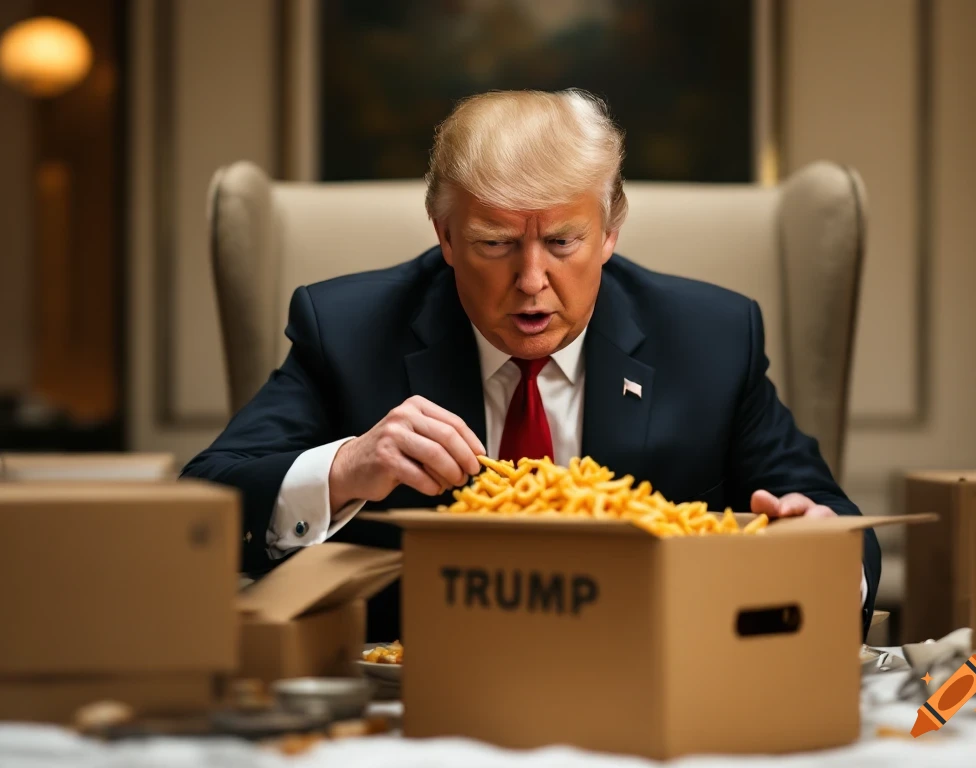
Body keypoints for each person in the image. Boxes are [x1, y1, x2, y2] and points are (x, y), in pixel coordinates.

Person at [182, 89, 880, 642]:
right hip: (418, 706)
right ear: (445, 235)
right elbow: (203, 505)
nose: (532, 280)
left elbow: (842, 528)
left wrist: (818, 551)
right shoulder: (348, 329)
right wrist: (347, 468)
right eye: (494, 243)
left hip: (650, 687)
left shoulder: (713, 338)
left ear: (610, 232)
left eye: (563, 241)